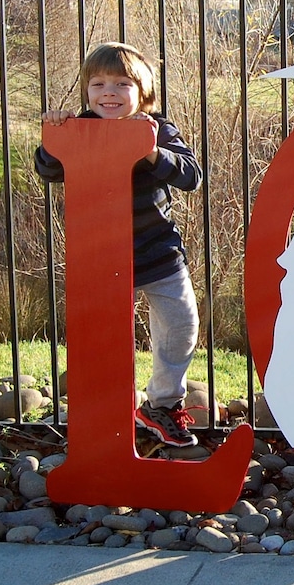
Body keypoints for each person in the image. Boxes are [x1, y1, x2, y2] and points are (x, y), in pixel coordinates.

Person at [35, 41, 204, 450]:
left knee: (181, 326)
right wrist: (55, 133)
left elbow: (191, 175)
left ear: (143, 92)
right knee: (105, 339)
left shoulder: (157, 129)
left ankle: (162, 404)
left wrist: (151, 154)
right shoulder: (80, 128)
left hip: (158, 251)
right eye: (98, 83)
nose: (108, 91)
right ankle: (108, 412)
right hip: (101, 256)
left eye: (122, 83)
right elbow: (47, 168)